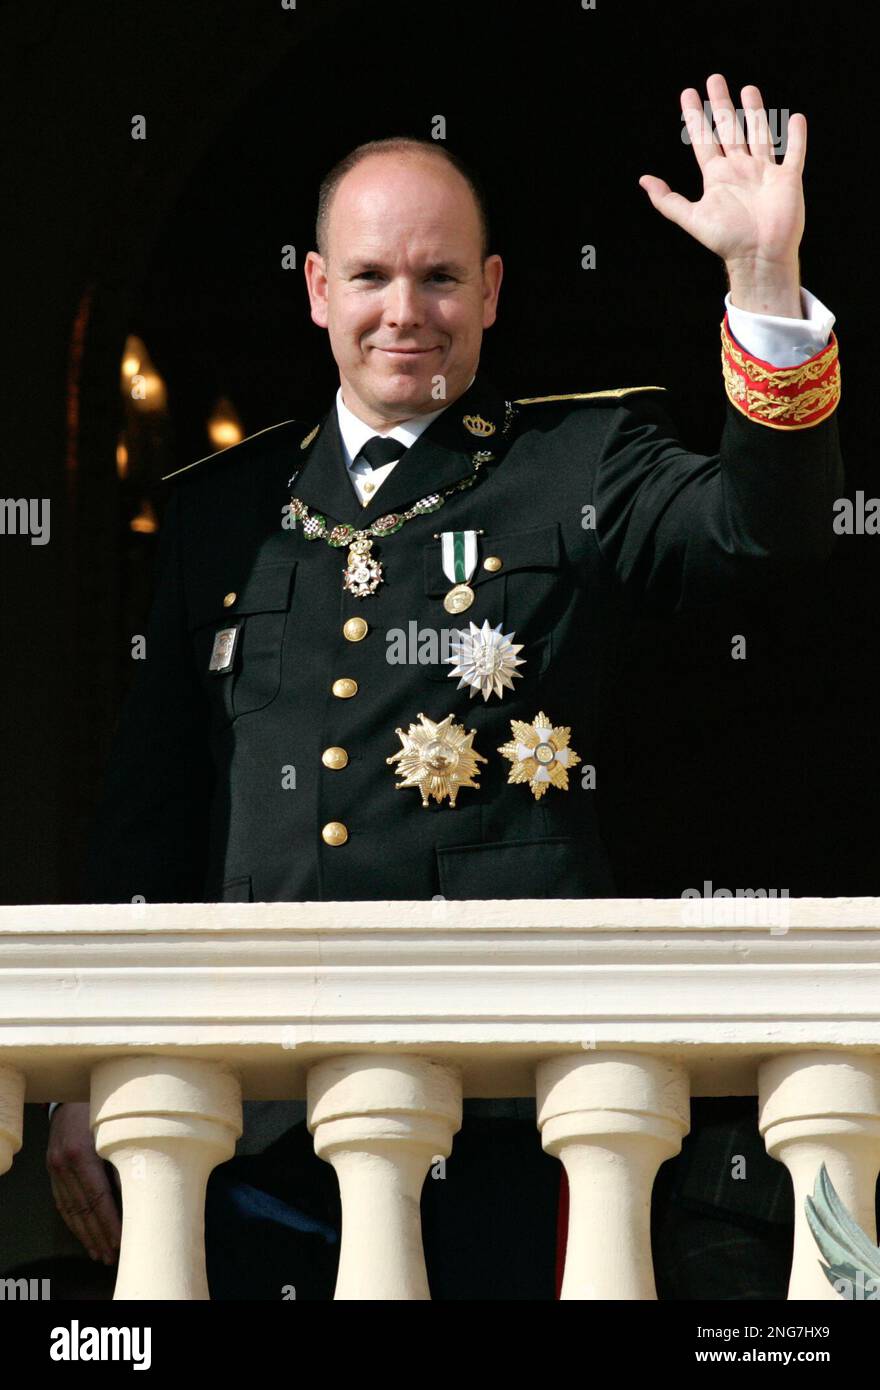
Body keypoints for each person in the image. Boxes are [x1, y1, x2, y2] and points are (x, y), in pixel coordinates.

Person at [47, 73, 843, 1299]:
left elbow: (760, 528)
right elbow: (149, 809)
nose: (403, 311)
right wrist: (82, 1070)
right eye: (369, 276)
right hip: (251, 1116)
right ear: (318, 291)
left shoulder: (576, 462)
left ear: (491, 290)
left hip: (510, 1114)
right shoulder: (220, 512)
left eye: (438, 277)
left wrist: (762, 284)